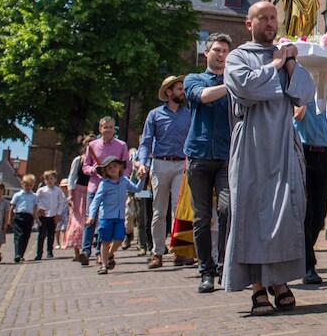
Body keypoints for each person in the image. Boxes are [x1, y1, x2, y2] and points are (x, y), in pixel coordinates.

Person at [223, 1, 316, 314]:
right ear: (249, 24)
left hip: (283, 142)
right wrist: (275, 66)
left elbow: (304, 94)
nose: (269, 23)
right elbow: (245, 87)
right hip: (251, 144)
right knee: (251, 212)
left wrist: (290, 65)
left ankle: (281, 282)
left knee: (285, 213)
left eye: (273, 18)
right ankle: (258, 288)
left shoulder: (285, 56)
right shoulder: (238, 56)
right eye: (262, 18)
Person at [184, 32, 233, 293]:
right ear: (206, 52)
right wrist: (231, 84)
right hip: (199, 155)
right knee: (202, 218)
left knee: (227, 210)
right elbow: (202, 96)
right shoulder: (194, 79)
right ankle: (206, 271)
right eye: (216, 50)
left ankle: (225, 266)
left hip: (226, 156)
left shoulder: (233, 82)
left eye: (225, 51)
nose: (221, 54)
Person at [136, 75, 192, 269]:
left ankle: (179, 251)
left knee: (179, 210)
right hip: (160, 163)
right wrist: (142, 163)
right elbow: (146, 141)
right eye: (179, 89)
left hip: (181, 165)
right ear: (169, 92)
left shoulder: (189, 114)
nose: (182, 92)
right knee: (159, 211)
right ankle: (157, 252)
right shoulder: (154, 114)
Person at [81, 117, 131, 266]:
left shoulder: (121, 145)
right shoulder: (92, 145)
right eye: (105, 127)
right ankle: (85, 251)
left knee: (104, 221)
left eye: (111, 127)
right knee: (90, 218)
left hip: (113, 189)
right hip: (95, 186)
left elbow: (127, 166)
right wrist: (92, 169)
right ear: (100, 129)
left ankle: (99, 253)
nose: (108, 130)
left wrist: (122, 180)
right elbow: (85, 166)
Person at [293, 99, 327, 286]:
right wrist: (306, 97)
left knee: (319, 215)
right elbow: (297, 115)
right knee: (306, 213)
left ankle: (303, 255)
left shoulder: (326, 95)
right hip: (302, 153)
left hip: (323, 154)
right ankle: (308, 266)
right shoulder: (298, 94)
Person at [86, 156, 143, 275]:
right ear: (105, 170)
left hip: (120, 216)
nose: (113, 169)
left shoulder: (124, 180)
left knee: (119, 238)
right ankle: (104, 264)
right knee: (105, 241)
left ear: (120, 167)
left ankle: (110, 254)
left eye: (115, 166)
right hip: (106, 216)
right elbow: (96, 200)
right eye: (109, 167)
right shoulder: (104, 184)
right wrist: (91, 215)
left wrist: (142, 179)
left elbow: (137, 189)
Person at [65, 154, 90, 261]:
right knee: (77, 221)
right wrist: (70, 194)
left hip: (91, 191)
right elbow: (72, 178)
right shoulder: (78, 160)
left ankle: (87, 250)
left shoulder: (97, 159)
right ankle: (77, 252)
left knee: (89, 221)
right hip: (79, 192)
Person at [34, 170, 63, 260]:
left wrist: (59, 214)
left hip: (53, 215)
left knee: (51, 234)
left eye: (51, 179)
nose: (49, 181)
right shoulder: (41, 190)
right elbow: (36, 201)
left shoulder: (58, 190)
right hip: (43, 215)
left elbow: (61, 202)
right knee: (42, 234)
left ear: (55, 179)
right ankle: (39, 253)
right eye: (47, 179)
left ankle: (49, 251)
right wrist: (39, 208)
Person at [8, 174, 38, 263]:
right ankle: (17, 253)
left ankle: (21, 254)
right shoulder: (17, 195)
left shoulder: (34, 196)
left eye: (30, 185)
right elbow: (12, 207)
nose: (28, 187)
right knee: (19, 235)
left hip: (29, 217)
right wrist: (10, 218)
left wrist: (36, 220)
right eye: (26, 185)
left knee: (26, 236)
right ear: (22, 184)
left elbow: (34, 209)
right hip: (19, 216)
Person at [55, 179, 69, 249]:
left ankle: (64, 242)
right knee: (57, 228)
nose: (65, 188)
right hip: (58, 213)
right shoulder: (59, 195)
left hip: (66, 214)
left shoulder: (70, 195)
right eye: (63, 187)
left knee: (64, 228)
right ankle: (57, 243)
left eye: (66, 187)